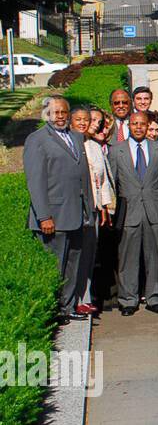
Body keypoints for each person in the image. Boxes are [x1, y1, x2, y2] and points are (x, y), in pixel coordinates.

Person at [24, 96, 94, 320]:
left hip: (76, 214)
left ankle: (68, 307)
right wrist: (44, 216)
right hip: (53, 217)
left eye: (64, 112)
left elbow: (83, 177)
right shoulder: (37, 140)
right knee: (56, 267)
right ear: (47, 114)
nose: (61, 116)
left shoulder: (75, 136)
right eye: (56, 113)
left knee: (73, 264)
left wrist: (89, 209)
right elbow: (35, 182)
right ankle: (53, 312)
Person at [109, 112, 158, 314]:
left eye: (142, 124)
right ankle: (128, 300)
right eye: (134, 124)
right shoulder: (116, 151)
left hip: (154, 211)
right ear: (129, 125)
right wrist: (112, 213)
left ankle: (154, 297)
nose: (138, 127)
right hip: (128, 212)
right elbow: (112, 185)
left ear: (148, 126)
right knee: (128, 258)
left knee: (155, 256)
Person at [77, 109, 114, 316]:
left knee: (90, 256)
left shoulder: (95, 146)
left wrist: (104, 208)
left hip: (95, 209)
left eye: (98, 121)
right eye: (91, 120)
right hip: (77, 208)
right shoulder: (77, 145)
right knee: (78, 257)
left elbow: (103, 182)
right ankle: (75, 299)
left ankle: (86, 298)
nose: (94, 124)